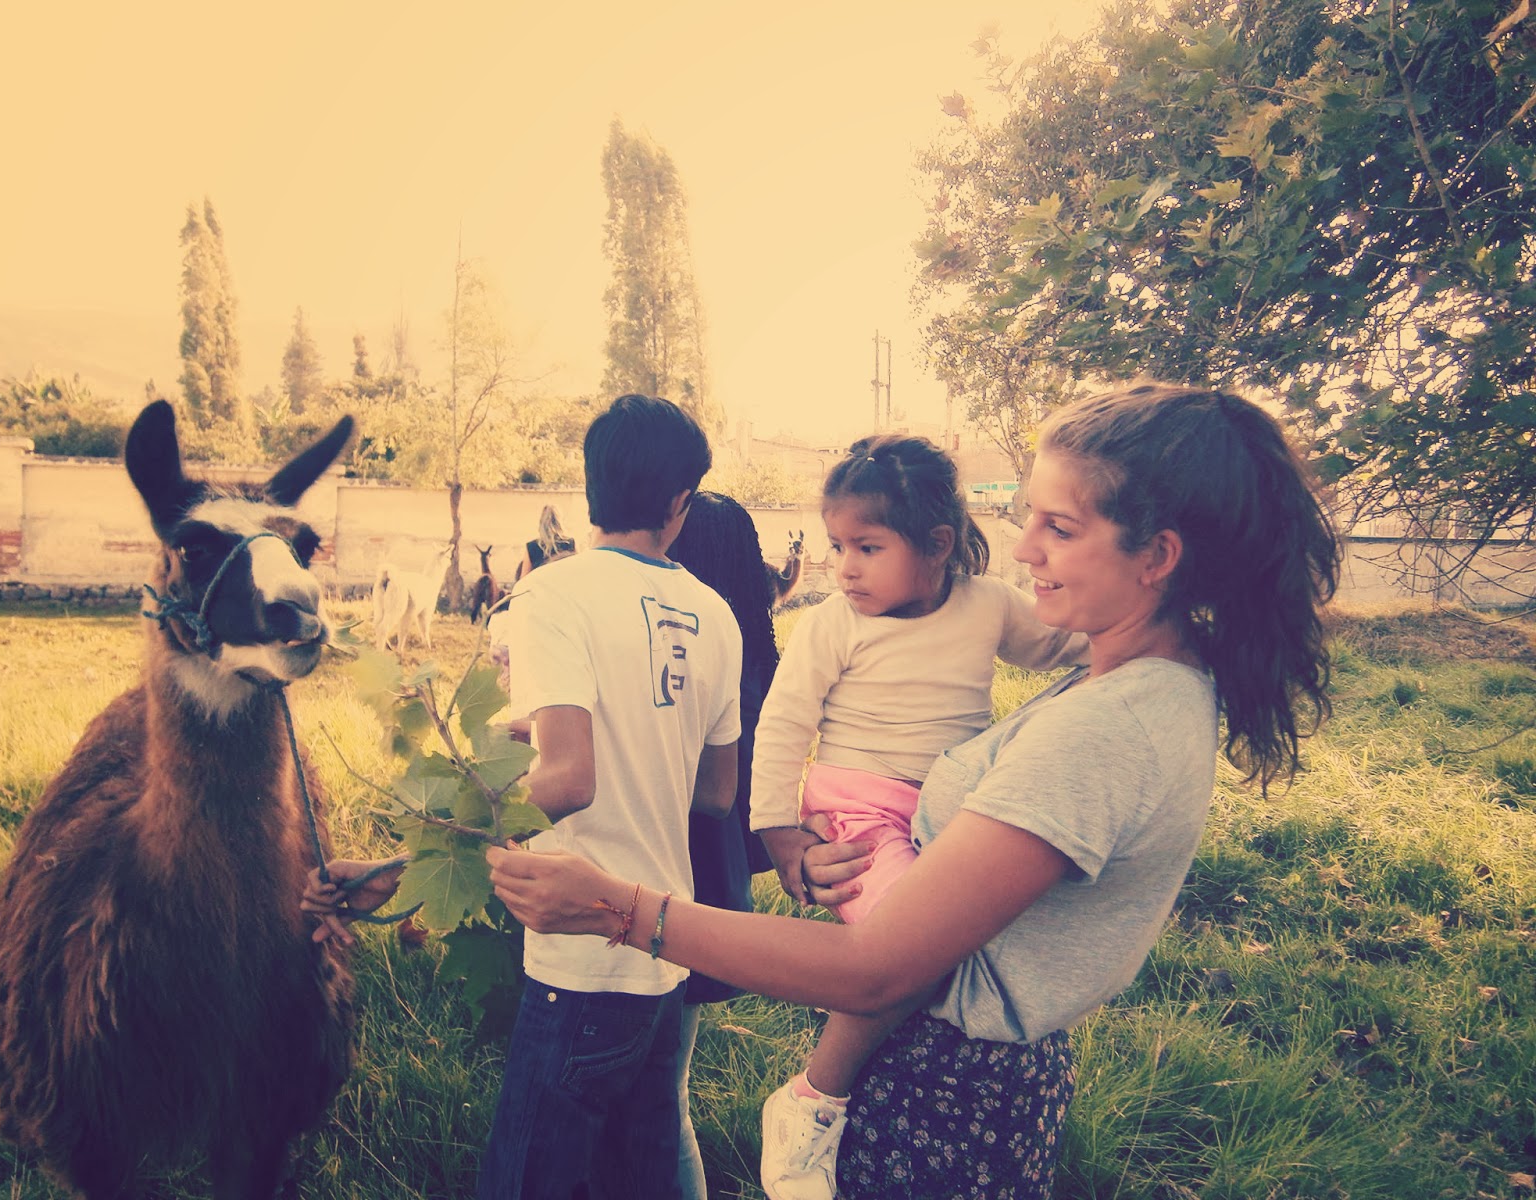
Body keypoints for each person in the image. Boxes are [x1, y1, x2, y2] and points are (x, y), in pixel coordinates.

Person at [483, 384, 1341, 1200]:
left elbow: (877, 970)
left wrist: (620, 908)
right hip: (959, 1071)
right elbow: (787, 744)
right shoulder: (1138, 685)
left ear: (1157, 557)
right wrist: (787, 836)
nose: (1024, 548)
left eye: (1060, 526)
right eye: (1030, 518)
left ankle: (810, 1099)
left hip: (945, 1094)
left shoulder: (1110, 724)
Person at [310, 394, 744, 1199]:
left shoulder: (553, 593)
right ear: (680, 500)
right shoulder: (716, 615)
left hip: (581, 963)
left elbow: (570, 779)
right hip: (663, 950)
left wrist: (409, 864)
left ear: (589, 487)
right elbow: (716, 793)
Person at [744, 432, 1088, 1199]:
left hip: (952, 814)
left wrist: (1139, 642)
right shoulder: (834, 623)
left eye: (867, 548)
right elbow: (783, 725)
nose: (845, 567)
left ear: (937, 545)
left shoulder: (986, 604)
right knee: (909, 944)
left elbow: (1056, 644)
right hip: (858, 810)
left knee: (966, 936)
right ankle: (813, 1099)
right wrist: (779, 836)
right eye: (838, 546)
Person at [664, 490, 782, 1200]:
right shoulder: (755, 657)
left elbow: (712, 794)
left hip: (681, 881)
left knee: (658, 1094)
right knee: (661, 1086)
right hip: (713, 883)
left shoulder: (699, 662)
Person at [514, 503, 578, 581]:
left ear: (541, 523)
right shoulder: (570, 543)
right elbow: (576, 571)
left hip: (540, 586)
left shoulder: (531, 546)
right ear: (560, 521)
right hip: (563, 585)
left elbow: (523, 579)